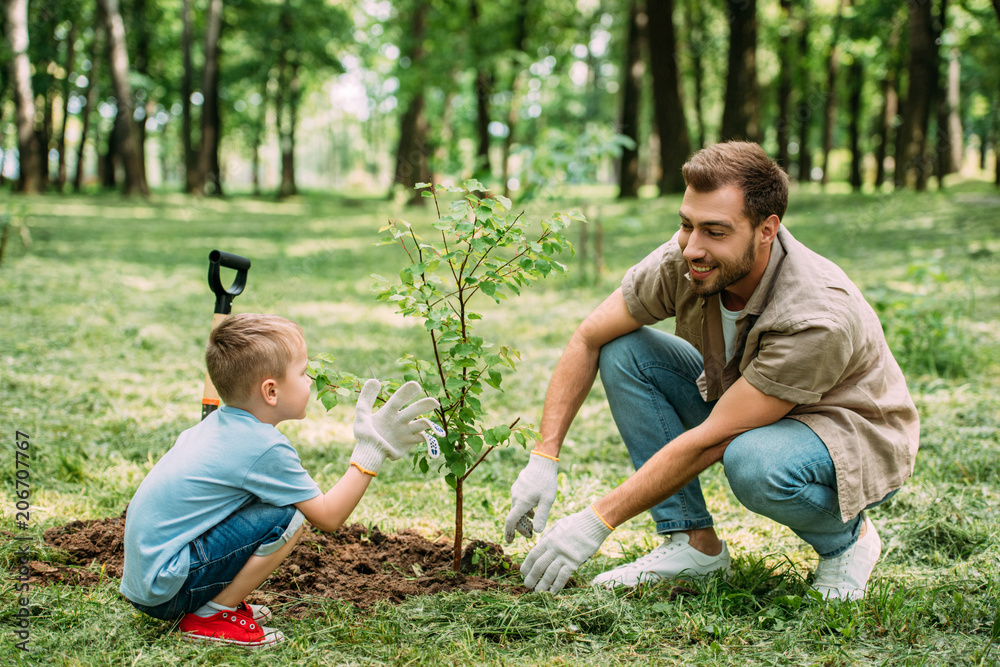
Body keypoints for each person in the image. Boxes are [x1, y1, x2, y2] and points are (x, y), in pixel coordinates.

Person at [504, 141, 919, 599]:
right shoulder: (685, 261)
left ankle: (848, 542)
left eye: (715, 232)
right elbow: (589, 337)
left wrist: (595, 521)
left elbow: (715, 438)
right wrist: (544, 457)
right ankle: (693, 545)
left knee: (753, 462)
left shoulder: (816, 315)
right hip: (753, 406)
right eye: (687, 224)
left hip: (848, 434)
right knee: (624, 349)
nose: (693, 248)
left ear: (766, 230)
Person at [121, 313, 439, 648]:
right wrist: (372, 449)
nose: (310, 381)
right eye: (302, 373)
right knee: (287, 517)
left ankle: (209, 602)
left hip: (149, 582)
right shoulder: (263, 446)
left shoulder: (217, 426)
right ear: (271, 391)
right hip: (166, 589)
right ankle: (209, 616)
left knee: (272, 504)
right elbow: (328, 517)